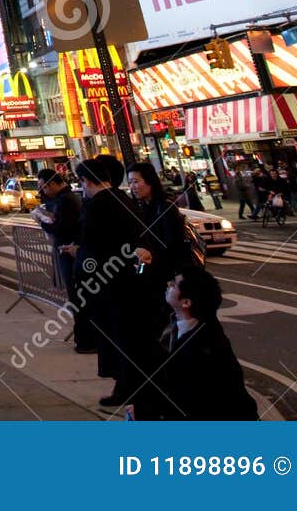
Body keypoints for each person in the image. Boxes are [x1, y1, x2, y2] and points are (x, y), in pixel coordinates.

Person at [75, 155, 160, 411]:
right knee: (128, 337)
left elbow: (92, 245)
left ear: (86, 180)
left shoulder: (97, 205)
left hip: (109, 283)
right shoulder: (123, 199)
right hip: (129, 280)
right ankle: (129, 386)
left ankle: (125, 388)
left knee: (118, 338)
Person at [143, 269, 258, 420]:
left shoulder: (202, 347)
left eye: (174, 285)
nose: (168, 284)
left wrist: (144, 413)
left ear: (186, 302)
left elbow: (185, 402)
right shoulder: (182, 321)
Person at [35, 169, 92, 352]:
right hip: (69, 251)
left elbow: (61, 227)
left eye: (43, 186)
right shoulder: (63, 199)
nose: (42, 191)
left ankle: (86, 340)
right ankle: (84, 339)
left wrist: (42, 221)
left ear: (52, 184)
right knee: (76, 297)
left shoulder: (67, 200)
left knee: (78, 297)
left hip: (71, 252)